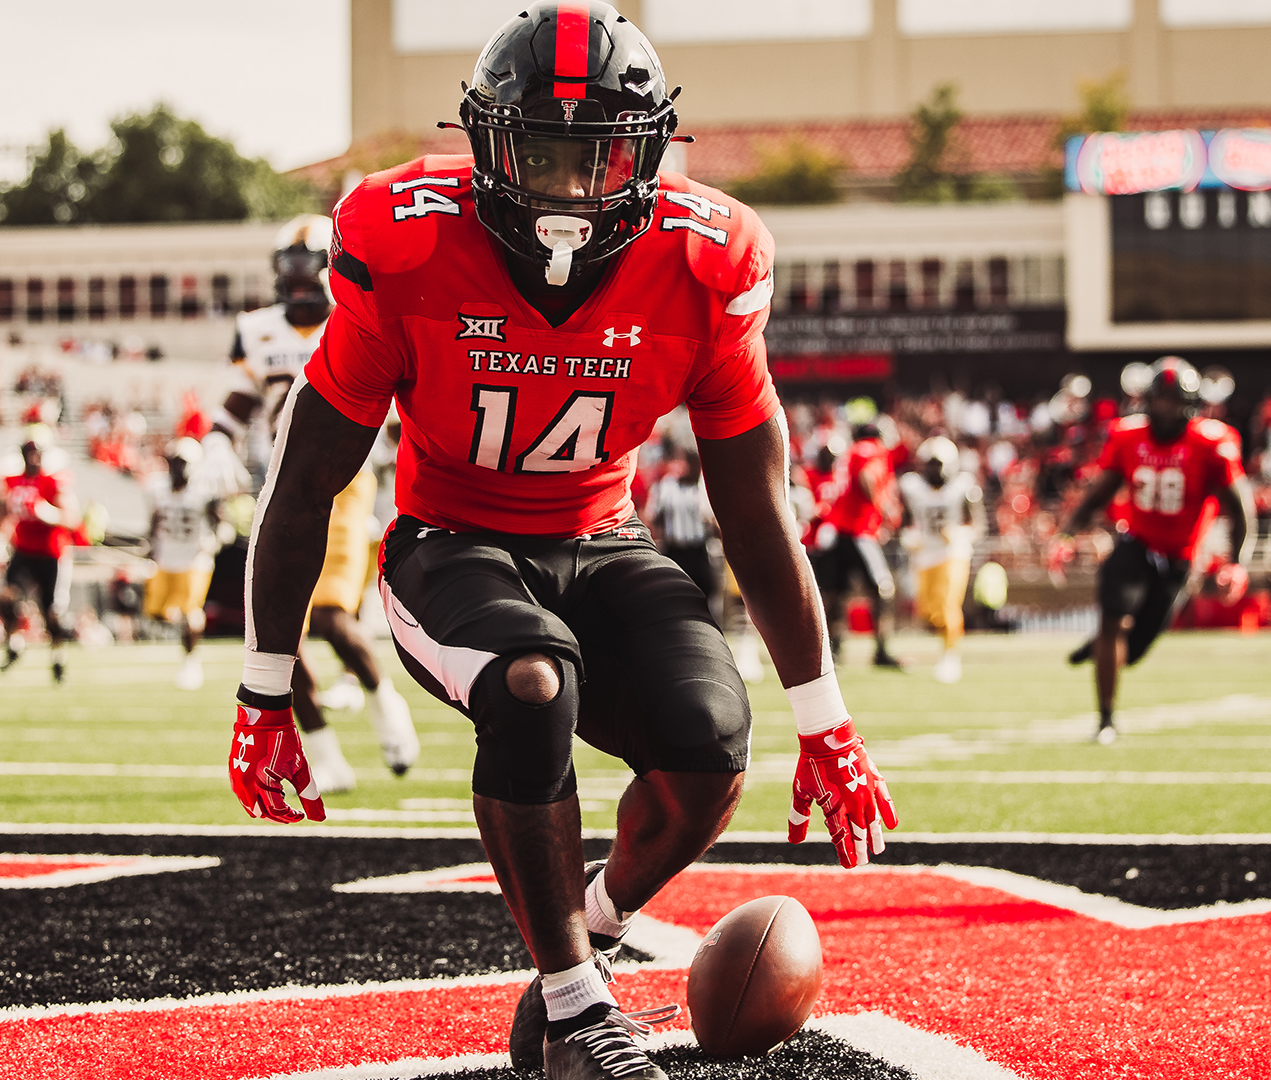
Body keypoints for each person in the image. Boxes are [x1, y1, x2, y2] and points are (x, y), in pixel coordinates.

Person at [225, 7, 896, 1079]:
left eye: (602, 157)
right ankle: (581, 1009)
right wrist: (264, 695)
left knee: (712, 750)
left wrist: (828, 716)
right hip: (451, 540)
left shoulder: (708, 262)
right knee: (533, 684)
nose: (568, 188)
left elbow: (757, 507)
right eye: (541, 152)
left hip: (602, 533)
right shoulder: (403, 241)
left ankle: (581, 934)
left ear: (650, 153)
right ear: (488, 144)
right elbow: (304, 484)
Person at [233, 215, 419, 787]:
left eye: (304, 272)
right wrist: (214, 439)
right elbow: (238, 397)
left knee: (335, 621)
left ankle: (387, 705)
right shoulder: (257, 329)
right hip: (278, 486)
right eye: (286, 275)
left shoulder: (356, 317)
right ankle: (324, 754)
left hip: (346, 483)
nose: (295, 287)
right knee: (280, 637)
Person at [1055, 357, 1254, 744]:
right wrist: (1066, 536)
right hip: (1136, 541)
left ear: (1190, 404)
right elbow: (1101, 491)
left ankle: (1098, 648)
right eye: (1160, 400)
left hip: (1180, 556)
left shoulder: (1211, 443)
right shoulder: (1128, 436)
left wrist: (1237, 563)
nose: (1165, 409)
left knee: (1133, 649)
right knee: (1113, 618)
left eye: (1173, 401)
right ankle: (1106, 719)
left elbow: (1240, 507)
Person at [808, 422, 903, 669]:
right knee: (883, 589)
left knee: (835, 593)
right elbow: (867, 477)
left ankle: (833, 653)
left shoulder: (850, 452)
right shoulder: (871, 450)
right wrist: (885, 508)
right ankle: (881, 650)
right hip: (859, 531)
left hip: (838, 530)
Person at [899, 437, 983, 684]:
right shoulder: (913, 487)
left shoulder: (963, 487)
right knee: (928, 612)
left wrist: (960, 533)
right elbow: (905, 522)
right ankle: (947, 652)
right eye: (931, 463)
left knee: (947, 606)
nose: (934, 469)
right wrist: (909, 536)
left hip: (953, 552)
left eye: (938, 463)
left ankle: (950, 657)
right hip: (924, 554)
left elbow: (977, 525)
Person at [0, 431, 74, 683]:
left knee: (51, 613)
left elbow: (72, 518)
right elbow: (8, 515)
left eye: (36, 450)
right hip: (24, 551)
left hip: (51, 554)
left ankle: (57, 656)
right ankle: (15, 644)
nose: (32, 456)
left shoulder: (53, 481)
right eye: (28, 450)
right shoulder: (13, 481)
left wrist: (49, 513)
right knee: (6, 598)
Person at [144, 439, 220, 690]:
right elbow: (154, 520)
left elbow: (222, 524)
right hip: (167, 558)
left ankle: (191, 663)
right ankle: (187, 652)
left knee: (191, 613)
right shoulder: (157, 489)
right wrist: (150, 545)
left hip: (194, 560)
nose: (177, 467)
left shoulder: (204, 493)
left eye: (183, 462)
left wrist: (214, 541)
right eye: (174, 461)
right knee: (156, 612)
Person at [643, 448, 720, 622]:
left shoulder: (702, 487)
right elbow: (653, 516)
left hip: (698, 549)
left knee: (705, 590)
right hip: (675, 549)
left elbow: (714, 520)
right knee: (674, 591)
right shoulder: (666, 487)